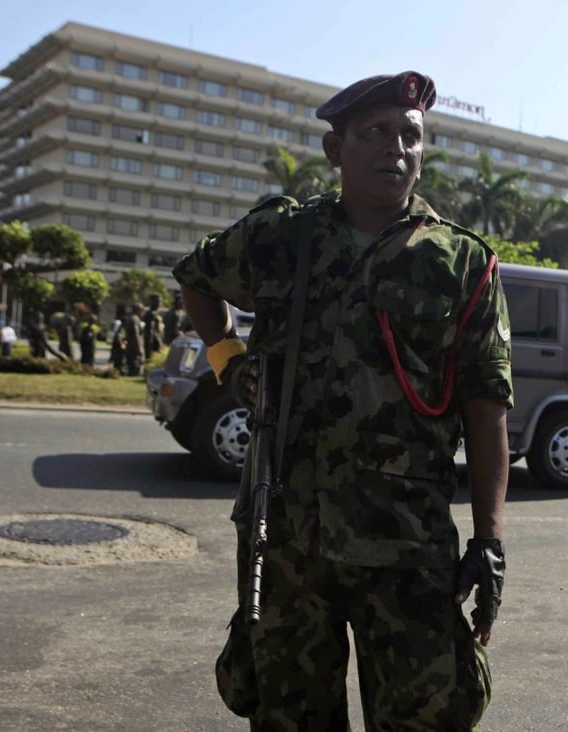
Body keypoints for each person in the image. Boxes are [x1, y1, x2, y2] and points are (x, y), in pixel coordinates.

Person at [173, 71, 511, 730]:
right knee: (289, 716)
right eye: (376, 132)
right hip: (287, 537)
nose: (396, 148)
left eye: (410, 136)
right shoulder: (284, 237)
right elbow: (196, 278)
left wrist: (490, 542)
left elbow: (487, 407)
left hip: (407, 547)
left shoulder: (462, 264)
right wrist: (228, 361)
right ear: (336, 149)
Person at [121, 304, 144, 376]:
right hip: (134, 347)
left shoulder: (130, 318)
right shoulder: (135, 319)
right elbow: (135, 334)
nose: (142, 313)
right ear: (137, 310)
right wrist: (139, 348)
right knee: (134, 366)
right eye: (141, 311)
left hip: (130, 346)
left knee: (132, 365)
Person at [142, 293, 164, 358]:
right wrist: (149, 348)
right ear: (152, 302)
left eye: (160, 302)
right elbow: (149, 332)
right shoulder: (150, 314)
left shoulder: (157, 313)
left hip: (158, 342)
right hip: (153, 344)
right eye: (157, 301)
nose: (159, 304)